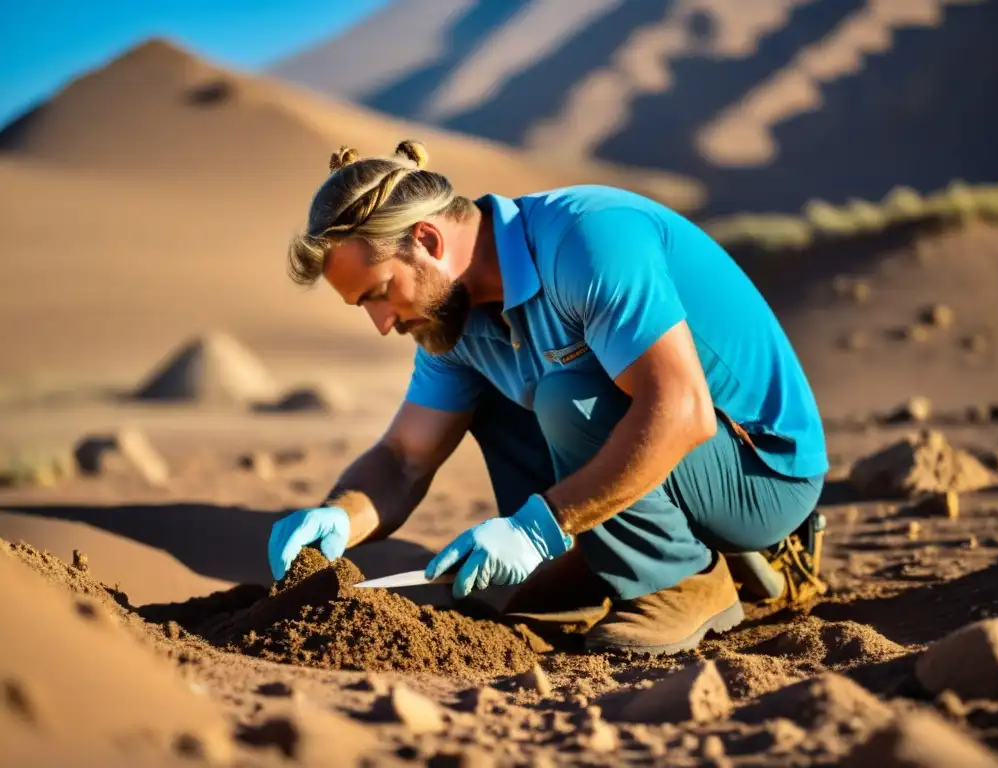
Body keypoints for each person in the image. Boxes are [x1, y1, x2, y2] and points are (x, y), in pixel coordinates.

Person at [267, 140, 828, 655]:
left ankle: (682, 579)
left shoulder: (584, 242)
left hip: (764, 473)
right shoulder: (450, 324)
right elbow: (404, 457)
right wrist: (338, 515)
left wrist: (540, 527)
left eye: (381, 294)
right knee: (501, 398)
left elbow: (681, 409)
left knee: (565, 394)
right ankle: (604, 558)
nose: (383, 324)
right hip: (665, 472)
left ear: (428, 242)